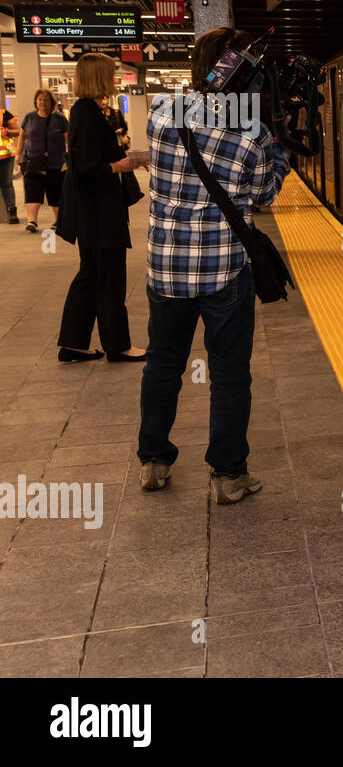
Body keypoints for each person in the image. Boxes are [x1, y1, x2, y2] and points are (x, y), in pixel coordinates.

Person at [137, 27, 289, 505]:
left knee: (163, 365)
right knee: (229, 372)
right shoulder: (253, 132)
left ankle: (154, 463)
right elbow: (263, 196)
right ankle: (228, 476)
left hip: (165, 268)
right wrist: (280, 153)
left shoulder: (162, 113)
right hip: (224, 271)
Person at [54, 54, 148, 364]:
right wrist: (120, 165)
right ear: (98, 76)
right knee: (109, 277)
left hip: (91, 210)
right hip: (98, 211)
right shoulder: (87, 112)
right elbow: (88, 166)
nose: (114, 77)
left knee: (91, 276)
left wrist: (128, 160)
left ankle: (74, 344)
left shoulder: (86, 111)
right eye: (110, 73)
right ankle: (118, 346)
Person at [16, 88, 69, 232]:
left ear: (51, 102)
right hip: (33, 161)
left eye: (45, 100)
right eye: (40, 99)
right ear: (35, 102)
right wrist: (18, 155)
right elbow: (22, 137)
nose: (42, 102)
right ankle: (32, 221)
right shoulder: (29, 118)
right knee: (32, 190)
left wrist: (71, 156)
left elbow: (68, 138)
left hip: (55, 162)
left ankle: (59, 220)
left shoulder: (60, 119)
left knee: (55, 191)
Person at [1, 109, 19, 223]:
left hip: (6, 155)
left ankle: (12, 211)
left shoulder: (4, 114)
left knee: (7, 183)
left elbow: (17, 131)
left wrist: (7, 132)